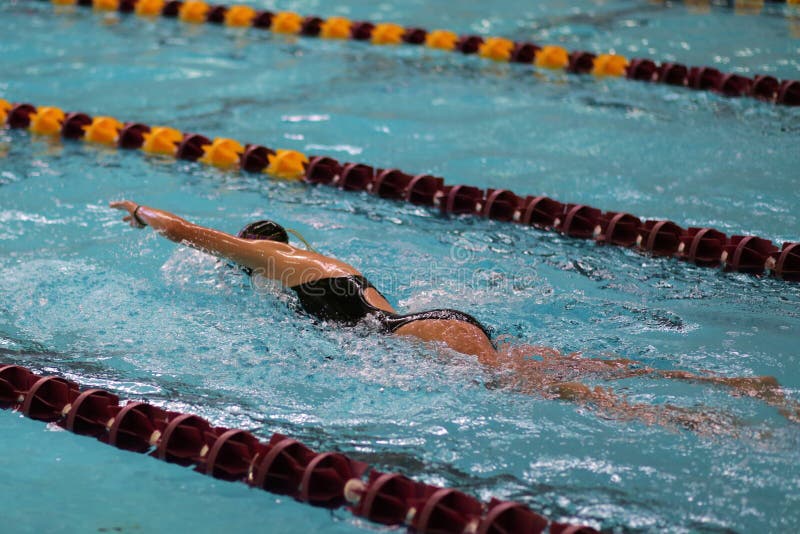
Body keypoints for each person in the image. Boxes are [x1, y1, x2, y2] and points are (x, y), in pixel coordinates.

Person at [110, 200, 799, 431]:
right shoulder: (316, 264)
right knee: (561, 367)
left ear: (259, 246)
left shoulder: (276, 260)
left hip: (422, 335)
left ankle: (688, 419)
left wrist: (141, 213)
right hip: (435, 324)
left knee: (553, 387)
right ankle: (739, 386)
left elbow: (191, 233)